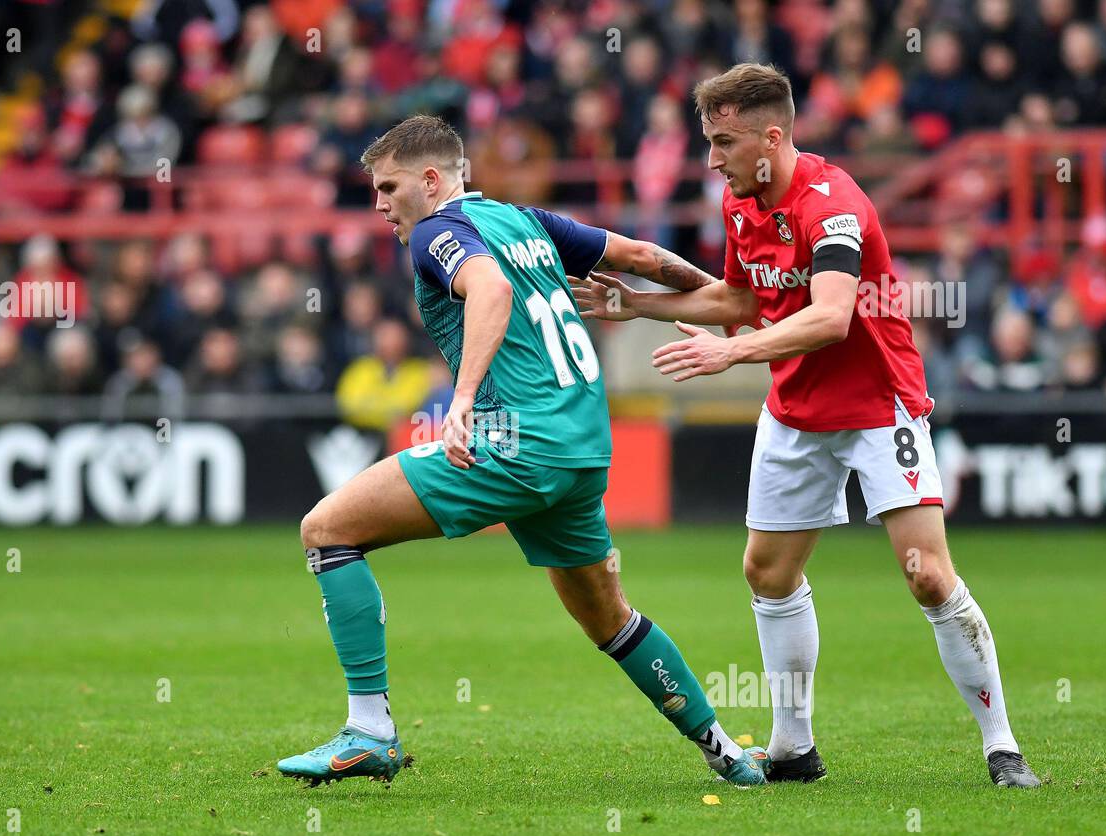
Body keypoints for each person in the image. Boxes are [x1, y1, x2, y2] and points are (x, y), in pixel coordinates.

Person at [571, 63, 1039, 788]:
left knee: (926, 575)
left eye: (723, 142)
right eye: (708, 141)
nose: (713, 158)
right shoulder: (740, 204)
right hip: (797, 408)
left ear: (772, 136)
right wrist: (639, 305)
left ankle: (1002, 746)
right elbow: (736, 298)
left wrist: (733, 354)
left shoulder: (834, 205)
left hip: (878, 404)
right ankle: (794, 750)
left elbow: (830, 316)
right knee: (767, 571)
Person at [276, 115, 767, 788]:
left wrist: (462, 400)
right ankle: (726, 751)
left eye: (389, 187)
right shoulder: (528, 220)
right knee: (609, 618)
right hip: (583, 450)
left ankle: (370, 731)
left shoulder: (435, 233)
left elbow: (493, 289)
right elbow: (646, 260)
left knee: (325, 529)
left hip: (516, 443)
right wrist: (728, 299)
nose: (381, 204)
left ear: (430, 180)